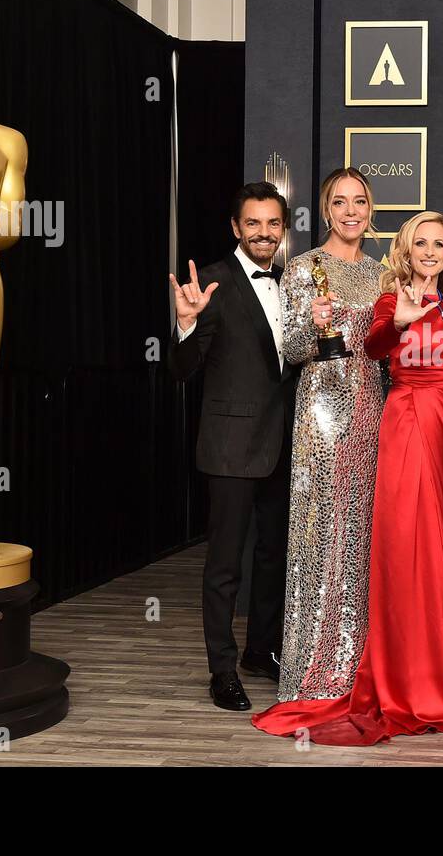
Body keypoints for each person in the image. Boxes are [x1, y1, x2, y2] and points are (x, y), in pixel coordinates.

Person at [252, 212, 443, 743]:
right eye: (420, 243)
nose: (429, 251)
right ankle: (411, 676)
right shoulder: (392, 299)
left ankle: (440, 666)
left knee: (442, 549)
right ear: (406, 251)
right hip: (406, 422)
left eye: (439, 244)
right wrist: (403, 320)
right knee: (414, 546)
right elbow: (375, 346)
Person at [169, 182, 297, 711]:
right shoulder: (213, 284)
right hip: (230, 446)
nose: (263, 233)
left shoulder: (295, 282)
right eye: (253, 223)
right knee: (225, 565)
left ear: (283, 229)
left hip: (287, 443)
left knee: (274, 557)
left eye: (272, 224)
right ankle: (221, 670)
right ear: (235, 228)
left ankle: (259, 650)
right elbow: (181, 370)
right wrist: (185, 322)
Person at [261, 167, 385, 705]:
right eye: (340, 202)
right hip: (319, 413)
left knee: (361, 537)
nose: (351, 211)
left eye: (360, 201)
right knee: (317, 536)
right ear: (325, 209)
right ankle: (311, 671)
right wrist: (311, 322)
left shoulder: (384, 276)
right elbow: (288, 350)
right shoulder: (304, 268)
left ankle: (356, 666)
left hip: (372, 412)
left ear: (370, 208)